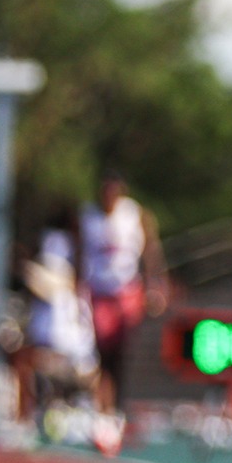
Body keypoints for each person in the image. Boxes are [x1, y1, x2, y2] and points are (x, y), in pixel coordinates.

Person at [77, 172, 167, 414]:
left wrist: (155, 284)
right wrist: (77, 287)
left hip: (126, 289)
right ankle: (103, 402)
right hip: (99, 290)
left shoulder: (134, 214)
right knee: (102, 349)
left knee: (124, 346)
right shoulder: (87, 217)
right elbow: (78, 253)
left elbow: (151, 249)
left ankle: (118, 403)